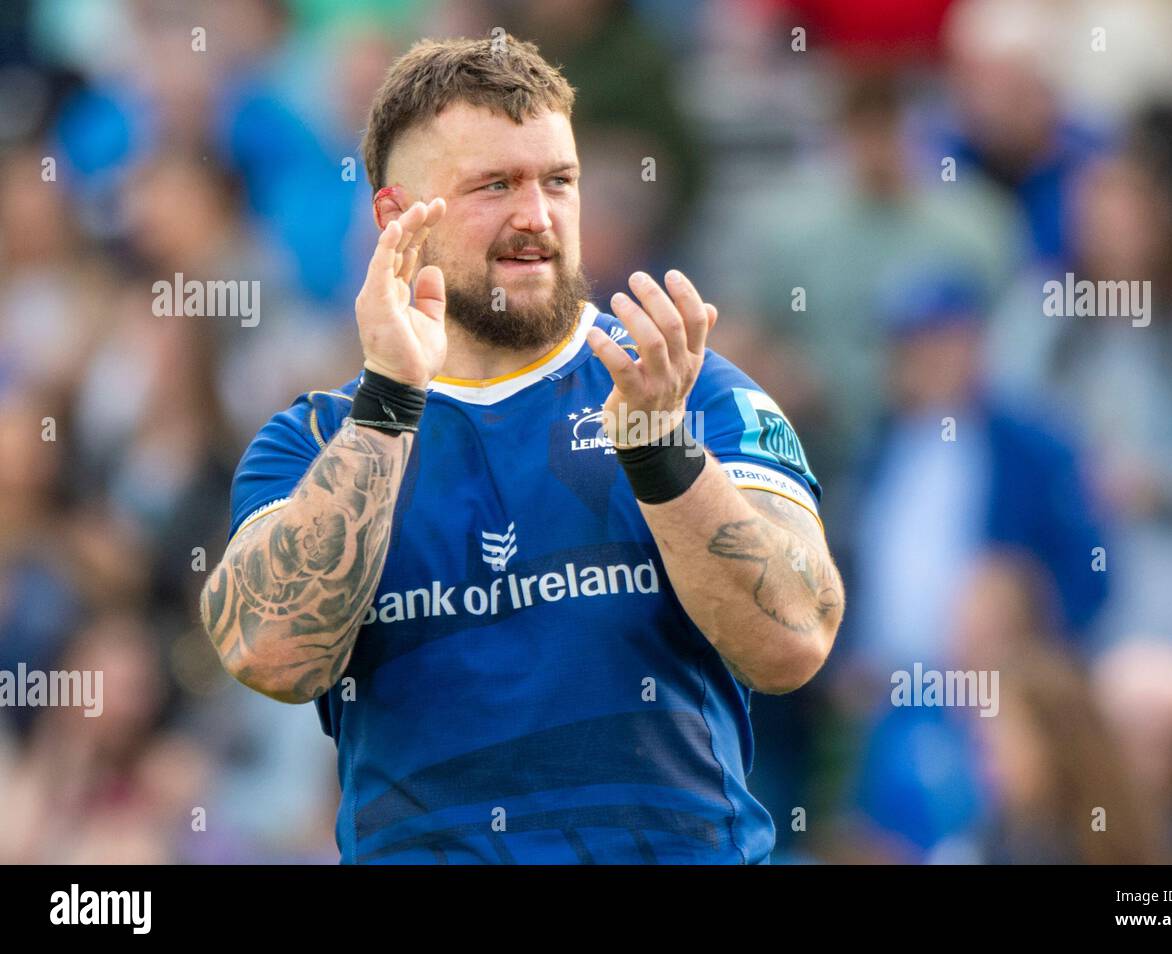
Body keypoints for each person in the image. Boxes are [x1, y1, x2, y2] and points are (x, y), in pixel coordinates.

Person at [198, 34, 844, 864]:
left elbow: (793, 641)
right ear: (397, 216)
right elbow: (269, 653)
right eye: (494, 185)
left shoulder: (685, 389)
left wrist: (660, 451)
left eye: (558, 182)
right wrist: (390, 404)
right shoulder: (314, 440)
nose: (537, 217)